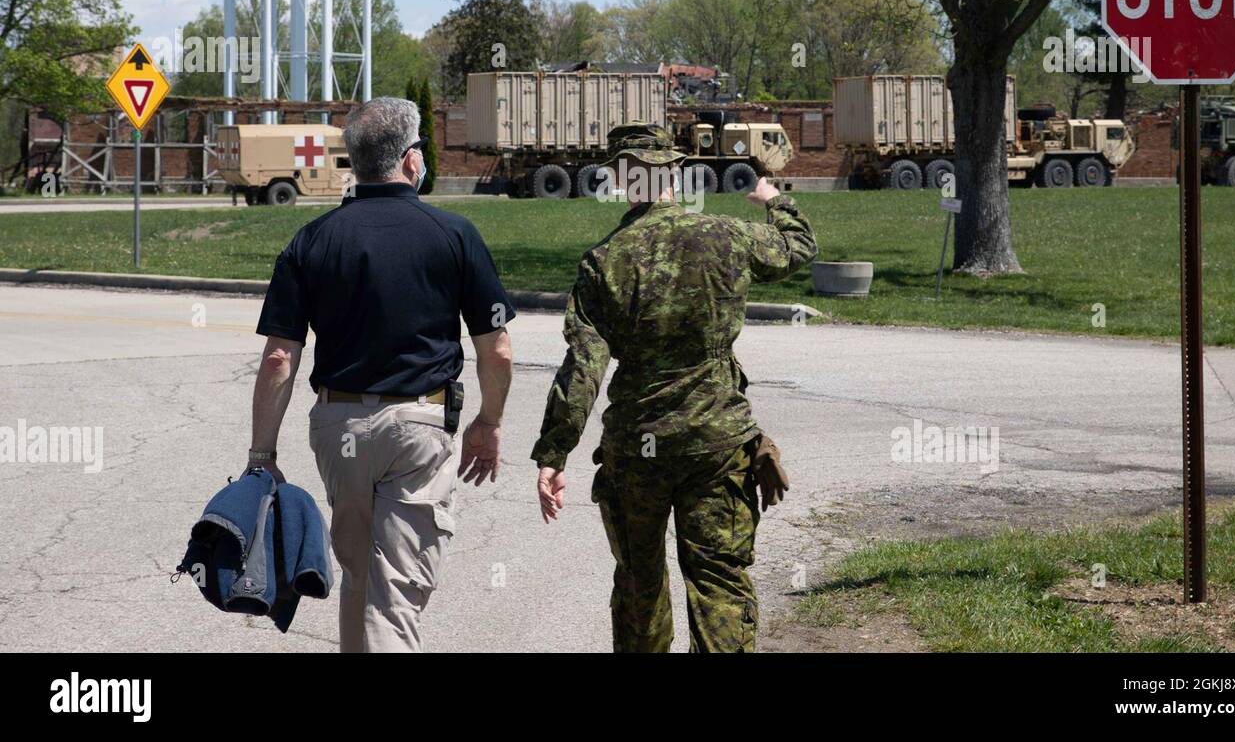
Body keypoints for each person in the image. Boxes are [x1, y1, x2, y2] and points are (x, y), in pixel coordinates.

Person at [531, 122, 814, 652]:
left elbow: (584, 370)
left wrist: (554, 452)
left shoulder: (603, 261)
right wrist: (774, 200)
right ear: (677, 172)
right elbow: (796, 250)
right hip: (716, 442)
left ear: (616, 178)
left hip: (636, 450)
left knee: (639, 583)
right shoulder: (727, 236)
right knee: (719, 581)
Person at [248, 96, 516, 653]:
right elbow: (498, 350)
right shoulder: (454, 234)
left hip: (338, 427)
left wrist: (261, 457)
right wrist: (489, 422)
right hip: (417, 427)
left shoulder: (312, 239)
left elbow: (280, 357)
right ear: (412, 160)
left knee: (363, 583)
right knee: (393, 597)